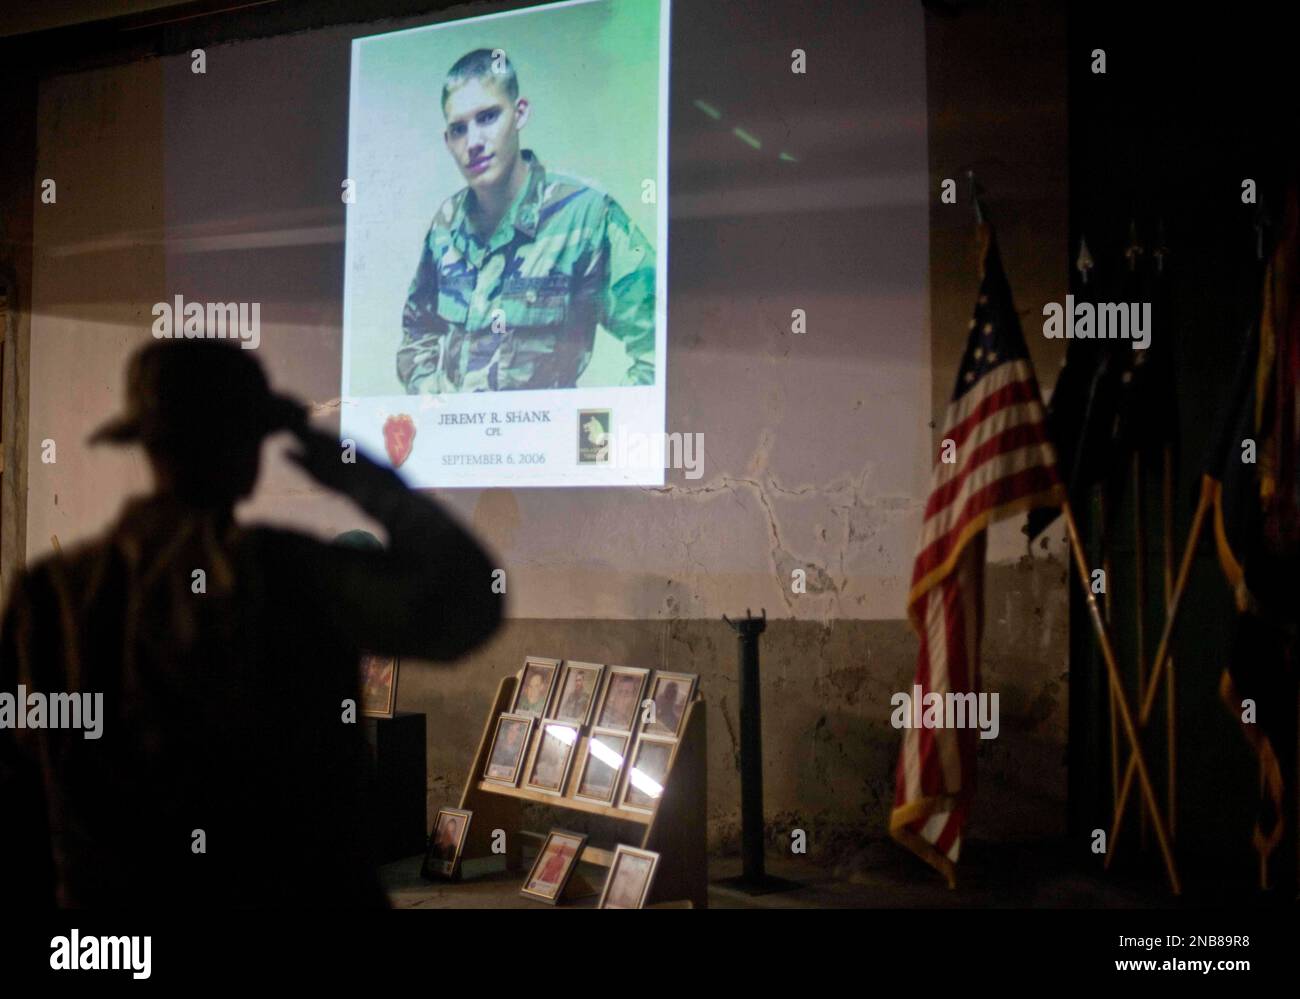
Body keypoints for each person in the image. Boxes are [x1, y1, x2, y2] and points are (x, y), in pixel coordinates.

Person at [0, 339, 503, 907]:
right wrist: (356, 474)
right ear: (252, 449)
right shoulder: (289, 574)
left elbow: (18, 796)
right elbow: (466, 603)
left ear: (149, 446)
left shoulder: (50, 595)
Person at [398, 48, 656, 394]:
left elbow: (663, 345)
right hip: (458, 445)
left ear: (519, 113)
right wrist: (433, 404)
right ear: (448, 141)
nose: (473, 142)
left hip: (543, 445)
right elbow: (417, 332)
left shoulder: (586, 216)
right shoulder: (446, 225)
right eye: (459, 129)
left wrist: (603, 430)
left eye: (488, 117)